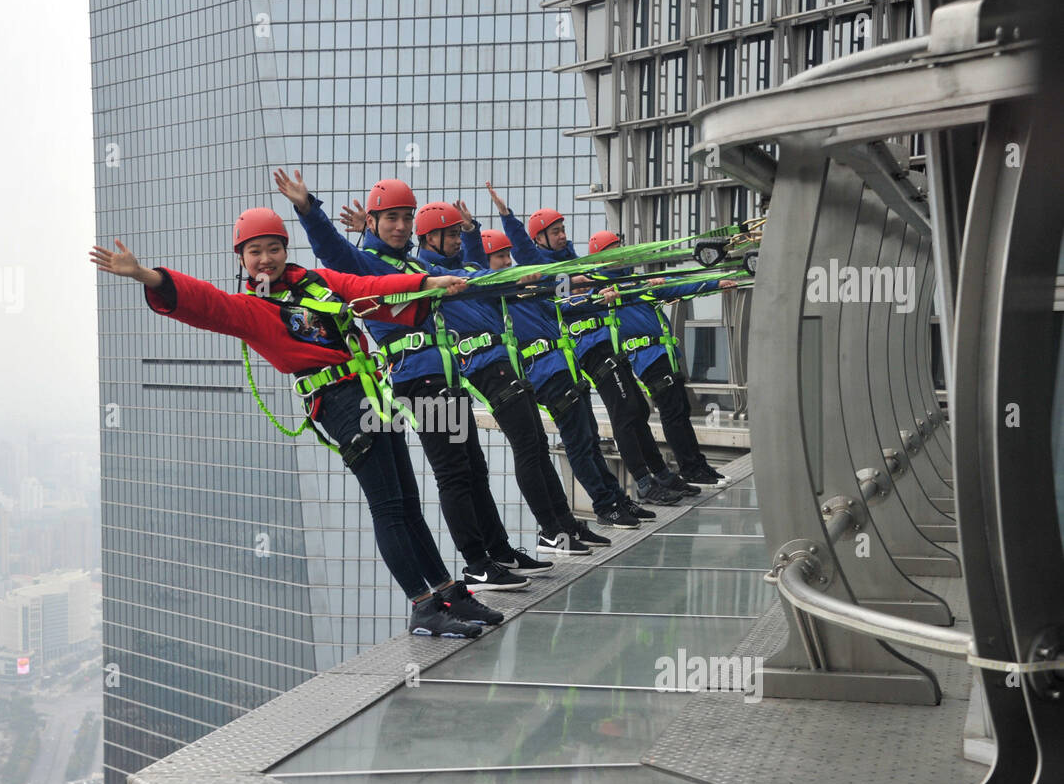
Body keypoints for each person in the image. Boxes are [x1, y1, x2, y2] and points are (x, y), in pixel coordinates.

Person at [88, 209, 500, 638]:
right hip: (340, 402)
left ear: (286, 250)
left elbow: (368, 287)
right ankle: (423, 604)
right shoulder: (253, 308)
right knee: (389, 506)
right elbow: (205, 301)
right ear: (241, 259)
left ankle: (449, 592)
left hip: (372, 393)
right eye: (254, 252)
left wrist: (427, 282)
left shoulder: (316, 283)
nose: (266, 258)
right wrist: (146, 276)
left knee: (406, 500)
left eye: (273, 248)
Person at [278, 168, 596, 559]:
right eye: (391, 218)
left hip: (447, 377)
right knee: (454, 474)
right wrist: (308, 209)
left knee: (474, 468)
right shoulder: (368, 264)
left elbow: (481, 281)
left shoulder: (415, 268)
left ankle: (498, 553)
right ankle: (478, 562)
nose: (400, 226)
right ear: (375, 223)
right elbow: (333, 251)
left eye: (405, 218)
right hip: (417, 382)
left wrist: (553, 282)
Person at [484, 183, 679, 522]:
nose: (562, 236)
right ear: (539, 238)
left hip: (570, 364)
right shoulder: (534, 272)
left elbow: (585, 289)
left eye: (562, 230)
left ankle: (617, 499)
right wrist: (507, 217)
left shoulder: (571, 263)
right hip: (561, 364)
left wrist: (613, 288)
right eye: (555, 231)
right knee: (600, 426)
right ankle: (619, 498)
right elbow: (526, 256)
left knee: (595, 433)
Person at [588, 231, 734, 485]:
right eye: (614, 250)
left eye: (621, 249)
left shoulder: (636, 281)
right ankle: (689, 467)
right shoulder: (601, 289)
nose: (622, 255)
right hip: (646, 358)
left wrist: (715, 283)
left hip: (663, 353)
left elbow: (678, 286)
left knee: (681, 408)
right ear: (602, 257)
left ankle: (697, 464)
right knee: (672, 410)